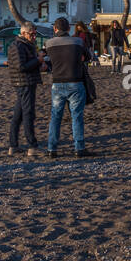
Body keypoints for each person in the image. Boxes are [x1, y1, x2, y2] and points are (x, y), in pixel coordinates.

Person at [46, 17, 93, 158]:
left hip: (57, 83)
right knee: (76, 116)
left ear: (55, 29)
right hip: (75, 81)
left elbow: (47, 60)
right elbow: (88, 57)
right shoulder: (77, 42)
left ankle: (51, 149)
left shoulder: (49, 43)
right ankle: (79, 148)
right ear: (68, 29)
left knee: (55, 117)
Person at [7, 22, 44, 157]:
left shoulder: (24, 45)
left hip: (24, 83)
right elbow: (21, 67)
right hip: (24, 84)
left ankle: (13, 145)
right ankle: (32, 146)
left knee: (19, 114)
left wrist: (38, 64)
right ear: (23, 33)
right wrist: (38, 61)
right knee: (28, 114)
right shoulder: (18, 46)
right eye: (32, 34)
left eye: (35, 34)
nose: (34, 37)